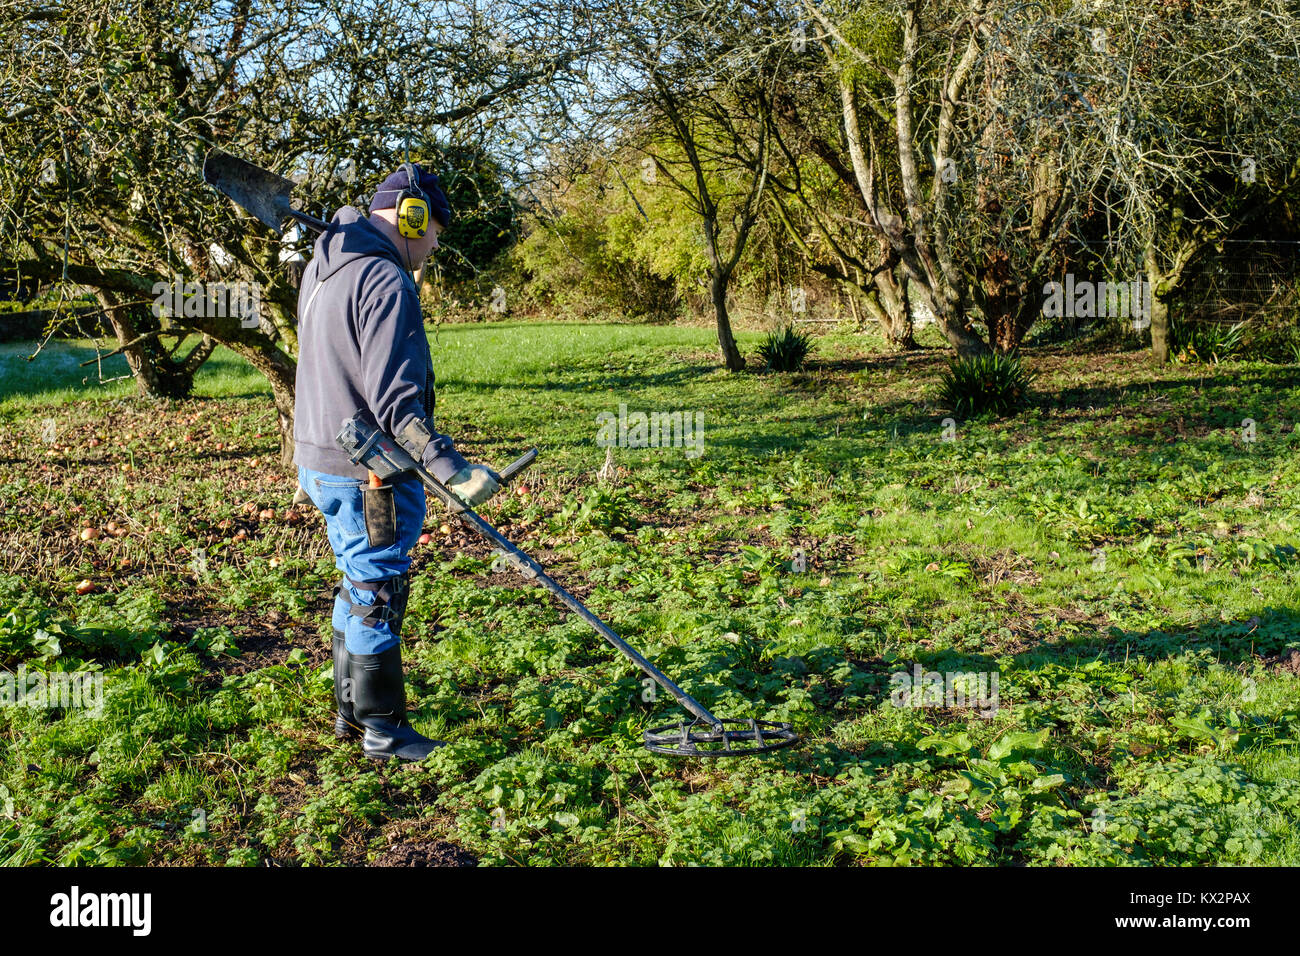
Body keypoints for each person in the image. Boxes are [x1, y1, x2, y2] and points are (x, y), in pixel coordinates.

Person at [293, 162, 499, 761]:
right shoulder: (384, 280)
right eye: (433, 229)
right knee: (378, 586)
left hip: (325, 460)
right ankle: (383, 730)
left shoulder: (323, 268)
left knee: (358, 581)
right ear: (411, 215)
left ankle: (350, 716)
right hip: (371, 475)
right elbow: (396, 399)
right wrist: (452, 470)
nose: (435, 244)